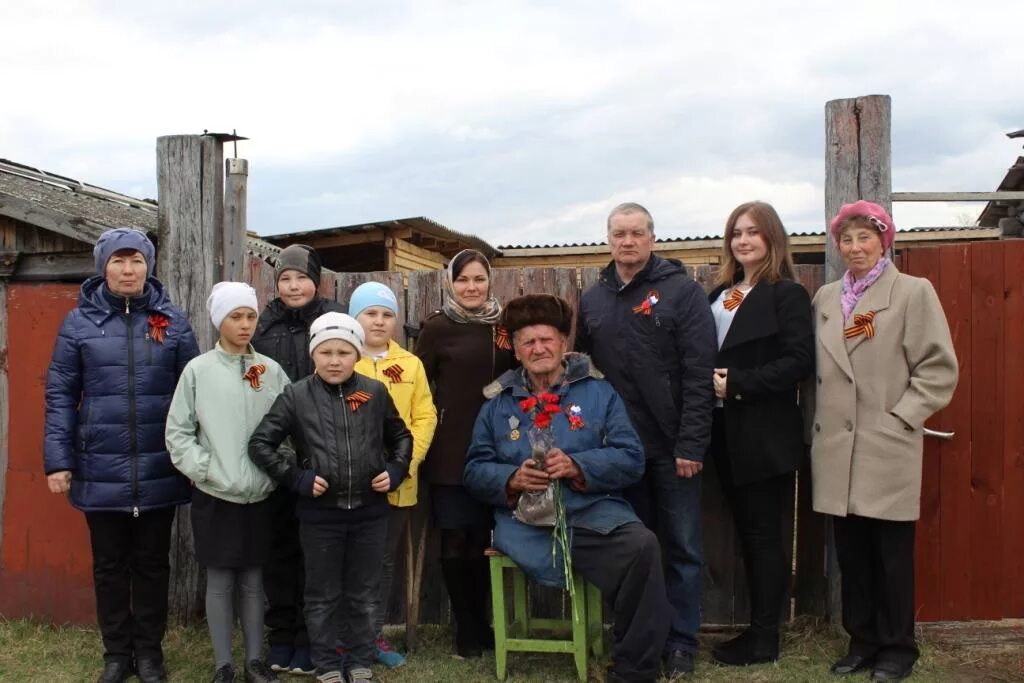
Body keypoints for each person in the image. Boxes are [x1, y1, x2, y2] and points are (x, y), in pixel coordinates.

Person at [464, 294, 670, 683]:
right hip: (524, 522)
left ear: (563, 343)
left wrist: (579, 465)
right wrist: (511, 478)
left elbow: (632, 458)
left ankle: (635, 669)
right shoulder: (497, 404)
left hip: (592, 513)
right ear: (517, 350)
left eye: (547, 339)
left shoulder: (599, 393)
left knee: (643, 546)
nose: (538, 348)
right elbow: (474, 470)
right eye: (528, 342)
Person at [43, 227, 200, 683]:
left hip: (159, 466)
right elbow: (60, 395)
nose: (128, 269)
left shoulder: (171, 322)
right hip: (99, 467)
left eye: (136, 261)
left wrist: (194, 458)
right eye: (118, 261)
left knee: (153, 565)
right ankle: (116, 654)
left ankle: (149, 653)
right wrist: (59, 460)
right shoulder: (78, 324)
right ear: (103, 267)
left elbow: (193, 394)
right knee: (110, 567)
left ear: (148, 266)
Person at [810, 201, 957, 682]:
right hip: (837, 449)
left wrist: (903, 418)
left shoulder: (913, 293)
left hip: (886, 443)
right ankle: (863, 641)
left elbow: (937, 368)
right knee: (852, 555)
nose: (855, 248)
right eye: (846, 240)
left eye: (864, 239)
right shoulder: (826, 299)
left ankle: (897, 648)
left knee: (891, 556)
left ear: (884, 240)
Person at [576, 202, 716, 677]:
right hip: (619, 454)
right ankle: (639, 641)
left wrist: (691, 445)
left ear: (653, 238)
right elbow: (587, 377)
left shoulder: (682, 294)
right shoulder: (593, 299)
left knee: (681, 548)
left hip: (674, 449)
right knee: (632, 552)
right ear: (608, 238)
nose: (627, 241)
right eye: (619, 233)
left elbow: (699, 375)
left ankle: (680, 644)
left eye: (637, 233)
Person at [249, 312, 412, 683]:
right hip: (320, 517)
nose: (335, 360)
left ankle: (359, 660)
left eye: (343, 352)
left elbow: (401, 437)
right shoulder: (296, 395)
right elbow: (261, 443)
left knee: (365, 593)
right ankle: (325, 665)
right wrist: (297, 478)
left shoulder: (374, 393)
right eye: (326, 352)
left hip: (370, 514)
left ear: (357, 354)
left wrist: (397, 470)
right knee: (322, 595)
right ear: (313, 355)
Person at [706, 202, 814, 665]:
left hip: (764, 432)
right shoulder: (722, 294)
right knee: (748, 534)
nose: (743, 240)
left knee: (765, 536)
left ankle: (765, 637)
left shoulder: (785, 294)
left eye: (753, 232)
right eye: (736, 233)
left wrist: (739, 385)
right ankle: (757, 631)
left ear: (772, 238)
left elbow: (799, 361)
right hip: (722, 432)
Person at [166, 282, 290, 683]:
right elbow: (178, 432)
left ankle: (255, 661)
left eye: (251, 316)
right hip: (215, 493)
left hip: (260, 494)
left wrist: (277, 468)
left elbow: (292, 428)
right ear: (220, 320)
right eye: (235, 316)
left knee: (254, 580)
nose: (245, 324)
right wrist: (205, 469)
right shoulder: (198, 371)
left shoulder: (270, 372)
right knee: (219, 580)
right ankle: (224, 664)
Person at [414, 249, 516, 656]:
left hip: (499, 448)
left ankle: (484, 624)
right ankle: (466, 630)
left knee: (483, 540)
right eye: (463, 280)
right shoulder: (437, 328)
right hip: (452, 447)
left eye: (478, 279)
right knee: (456, 538)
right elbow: (419, 386)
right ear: (450, 283)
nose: (471, 287)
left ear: (490, 281)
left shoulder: (504, 327)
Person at [251, 244, 345, 675]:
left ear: (316, 281)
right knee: (278, 550)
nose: (293, 286)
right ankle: (282, 634)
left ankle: (312, 637)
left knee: (317, 554)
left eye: (301, 277)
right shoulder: (263, 325)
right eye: (285, 279)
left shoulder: (330, 322)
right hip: (274, 457)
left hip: (321, 454)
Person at [349, 282, 437, 668]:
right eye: (371, 313)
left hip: (397, 483)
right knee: (349, 561)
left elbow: (424, 416)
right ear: (356, 318)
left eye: (387, 315)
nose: (379, 321)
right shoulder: (342, 358)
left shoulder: (411, 364)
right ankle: (343, 636)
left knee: (383, 563)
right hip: (351, 483)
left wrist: (405, 463)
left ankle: (374, 635)